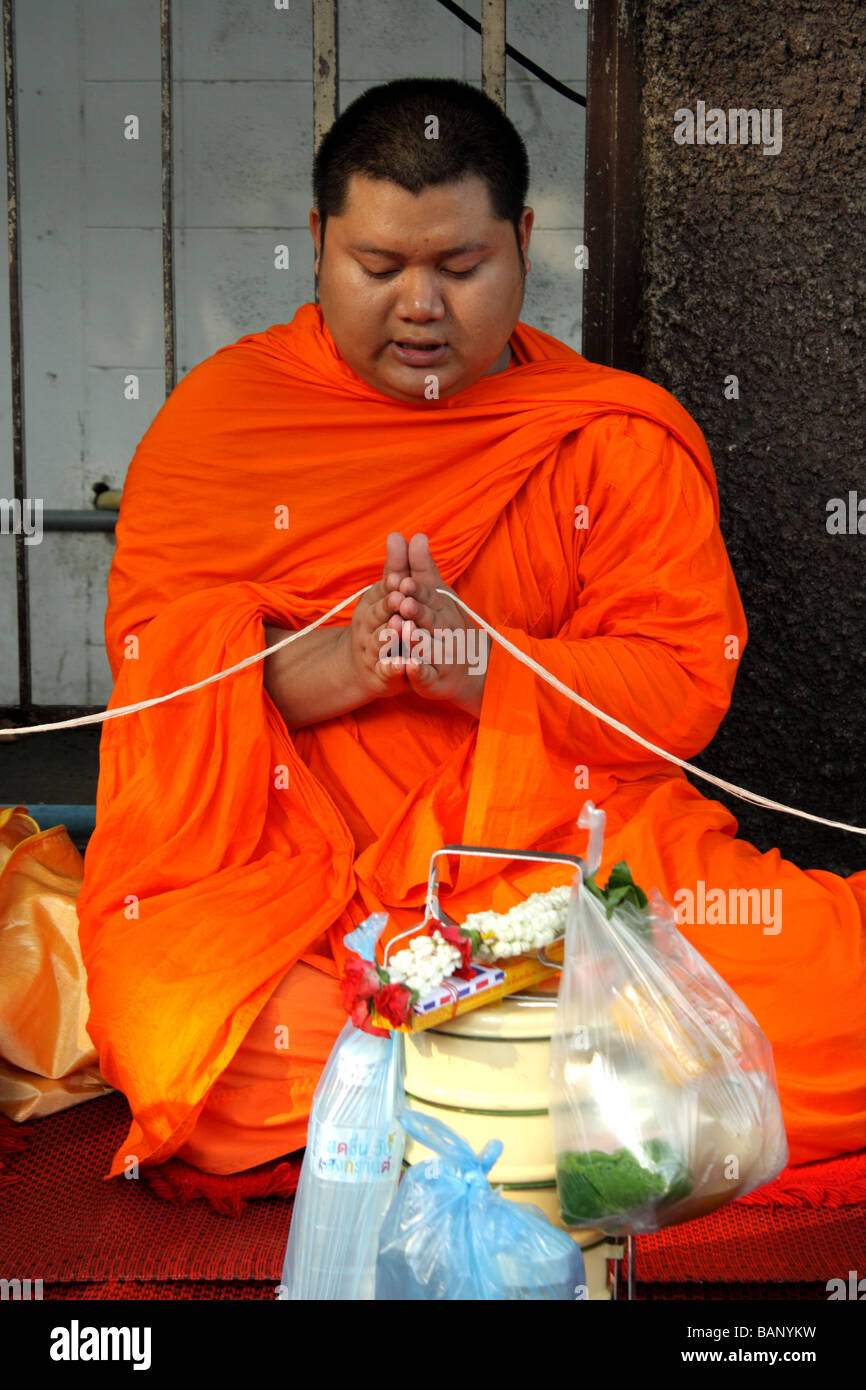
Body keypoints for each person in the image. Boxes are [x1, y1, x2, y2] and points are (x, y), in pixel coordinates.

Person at [76, 78, 866, 1184]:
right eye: (378, 267)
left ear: (524, 243)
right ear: (316, 242)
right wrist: (324, 670)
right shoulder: (224, 425)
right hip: (298, 877)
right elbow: (151, 691)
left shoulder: (604, 434)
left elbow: (682, 682)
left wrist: (489, 668)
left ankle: (441, 1091)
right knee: (188, 1033)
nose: (418, 306)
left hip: (555, 846)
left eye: (458, 268)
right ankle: (588, 1089)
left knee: (843, 1002)